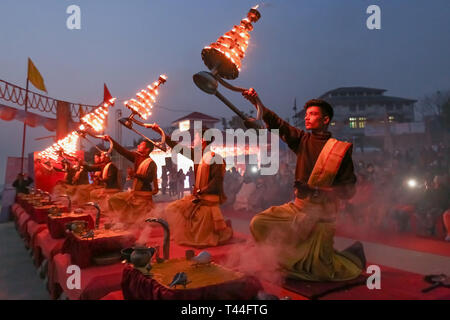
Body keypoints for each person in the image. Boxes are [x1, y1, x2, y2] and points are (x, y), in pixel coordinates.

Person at [242, 89, 365, 282]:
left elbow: (349, 190)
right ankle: (288, 259)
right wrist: (257, 103)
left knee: (322, 271)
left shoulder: (340, 151)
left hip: (322, 215)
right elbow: (278, 124)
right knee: (258, 223)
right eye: (306, 115)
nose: (307, 118)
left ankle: (354, 256)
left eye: (313, 114)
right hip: (297, 208)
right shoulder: (302, 140)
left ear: (325, 120)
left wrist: (317, 190)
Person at [149, 124, 233, 247]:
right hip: (199, 198)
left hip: (207, 200)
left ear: (203, 140)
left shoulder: (216, 158)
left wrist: (201, 190)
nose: (194, 140)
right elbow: (178, 147)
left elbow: (216, 182)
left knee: (201, 241)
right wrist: (161, 132)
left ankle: (222, 228)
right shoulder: (197, 155)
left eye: (196, 138)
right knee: (172, 209)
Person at [103, 137, 158, 225]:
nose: (138, 145)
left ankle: (126, 221)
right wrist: (111, 140)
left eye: (141, 145)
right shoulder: (137, 157)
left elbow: (149, 179)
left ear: (147, 149)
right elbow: (123, 151)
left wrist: (134, 174)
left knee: (140, 221)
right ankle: (123, 219)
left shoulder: (151, 163)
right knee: (113, 199)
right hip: (134, 192)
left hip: (143, 194)